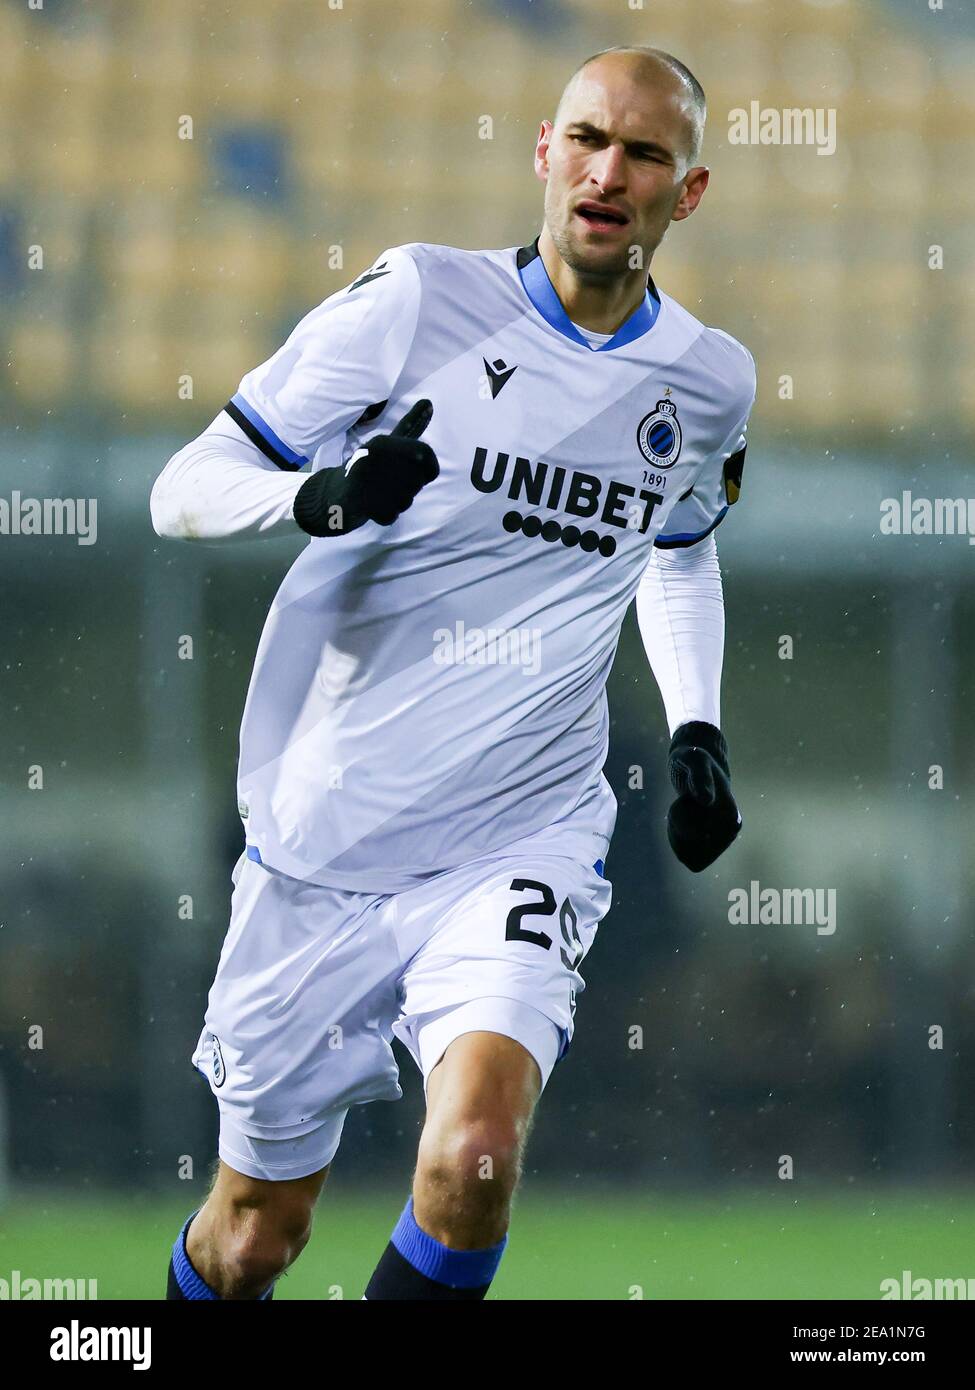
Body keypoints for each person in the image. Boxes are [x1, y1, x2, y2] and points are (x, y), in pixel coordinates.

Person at [151, 44, 755, 1301]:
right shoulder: (417, 303)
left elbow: (680, 551)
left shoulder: (708, 383)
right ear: (544, 151)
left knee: (475, 1156)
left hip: (519, 834)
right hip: (327, 837)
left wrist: (698, 726)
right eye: (587, 138)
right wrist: (313, 494)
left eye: (646, 153)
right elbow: (182, 486)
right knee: (256, 1234)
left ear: (684, 193)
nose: (609, 171)